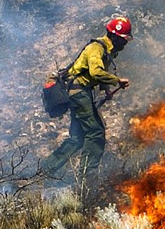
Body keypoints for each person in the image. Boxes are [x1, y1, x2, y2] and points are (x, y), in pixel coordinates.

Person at [41, 16, 132, 182]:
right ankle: (86, 178)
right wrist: (116, 81)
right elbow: (96, 72)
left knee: (78, 138)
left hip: (81, 93)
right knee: (96, 132)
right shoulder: (97, 47)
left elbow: (97, 75)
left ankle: (45, 169)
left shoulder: (108, 51)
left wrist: (106, 90)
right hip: (78, 93)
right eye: (124, 40)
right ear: (114, 37)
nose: (125, 44)